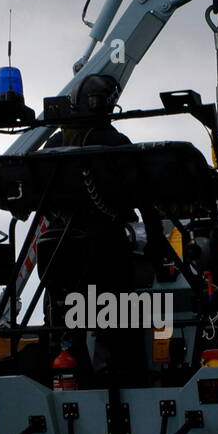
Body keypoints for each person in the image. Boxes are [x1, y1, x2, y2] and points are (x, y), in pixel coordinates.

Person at [37, 74, 147, 380]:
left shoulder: (52, 145)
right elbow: (141, 193)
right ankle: (126, 384)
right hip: (105, 254)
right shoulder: (115, 144)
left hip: (56, 256)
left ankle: (70, 380)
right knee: (124, 326)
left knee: (63, 330)